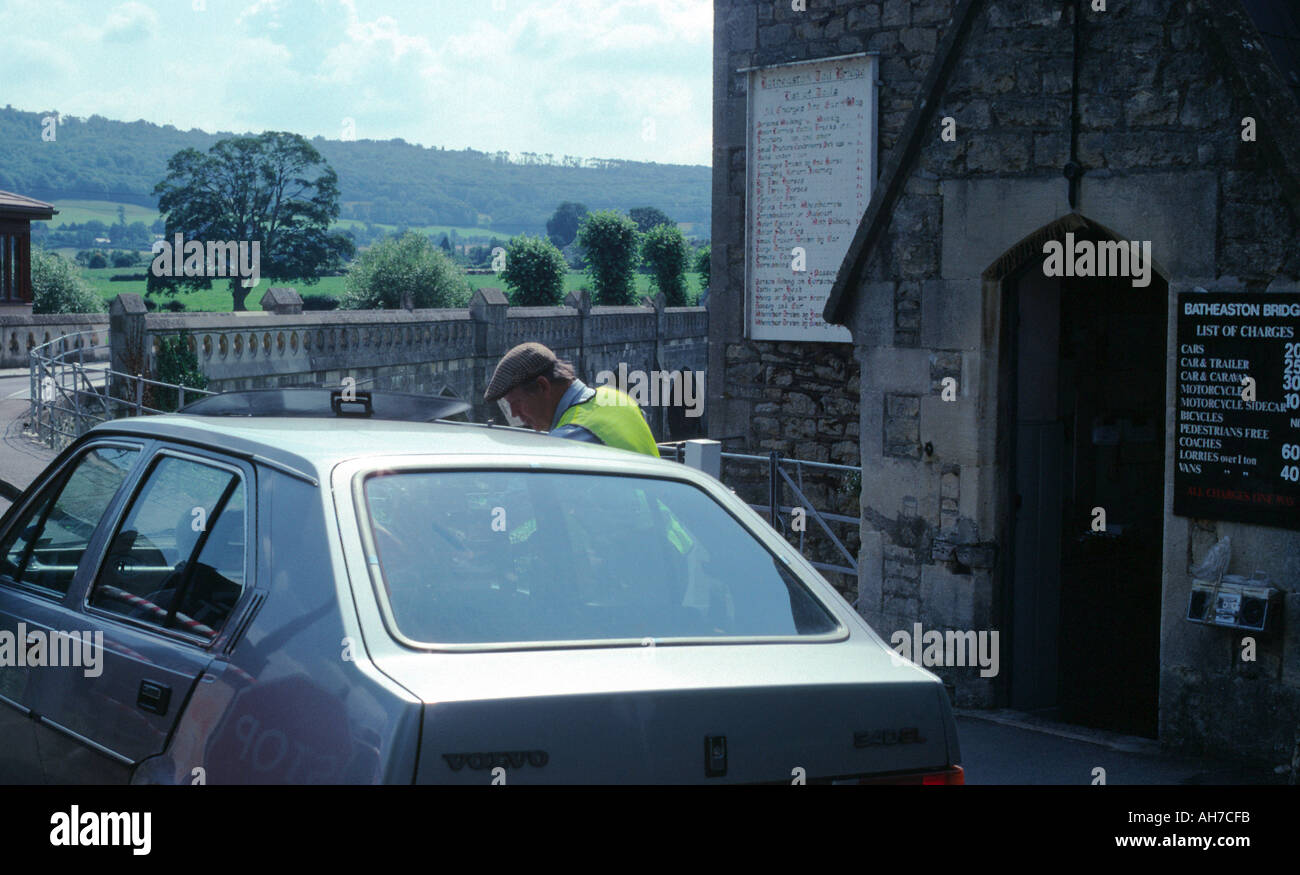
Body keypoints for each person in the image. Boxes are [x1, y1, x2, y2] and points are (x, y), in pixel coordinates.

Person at [483, 342, 660, 457]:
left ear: (543, 386)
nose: (515, 414)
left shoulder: (568, 440)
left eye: (517, 403)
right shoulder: (617, 398)